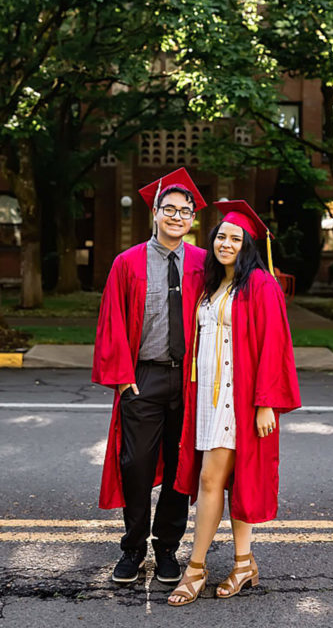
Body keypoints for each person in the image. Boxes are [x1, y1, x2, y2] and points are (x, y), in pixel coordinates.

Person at [167, 200, 300, 606]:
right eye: (221, 236)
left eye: (235, 238)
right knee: (233, 482)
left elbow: (275, 344)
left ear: (248, 247)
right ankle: (244, 563)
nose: (226, 243)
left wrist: (265, 404)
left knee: (210, 480)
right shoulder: (213, 284)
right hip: (207, 396)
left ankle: (195, 567)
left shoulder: (259, 284)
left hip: (237, 398)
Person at [92, 168, 208, 584]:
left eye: (185, 210)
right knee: (136, 466)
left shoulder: (203, 262)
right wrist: (123, 378)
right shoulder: (127, 263)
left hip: (190, 381)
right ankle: (133, 547)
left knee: (181, 469)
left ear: (193, 218)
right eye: (169, 209)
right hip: (142, 378)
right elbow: (112, 323)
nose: (177, 216)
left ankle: (167, 549)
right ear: (155, 213)